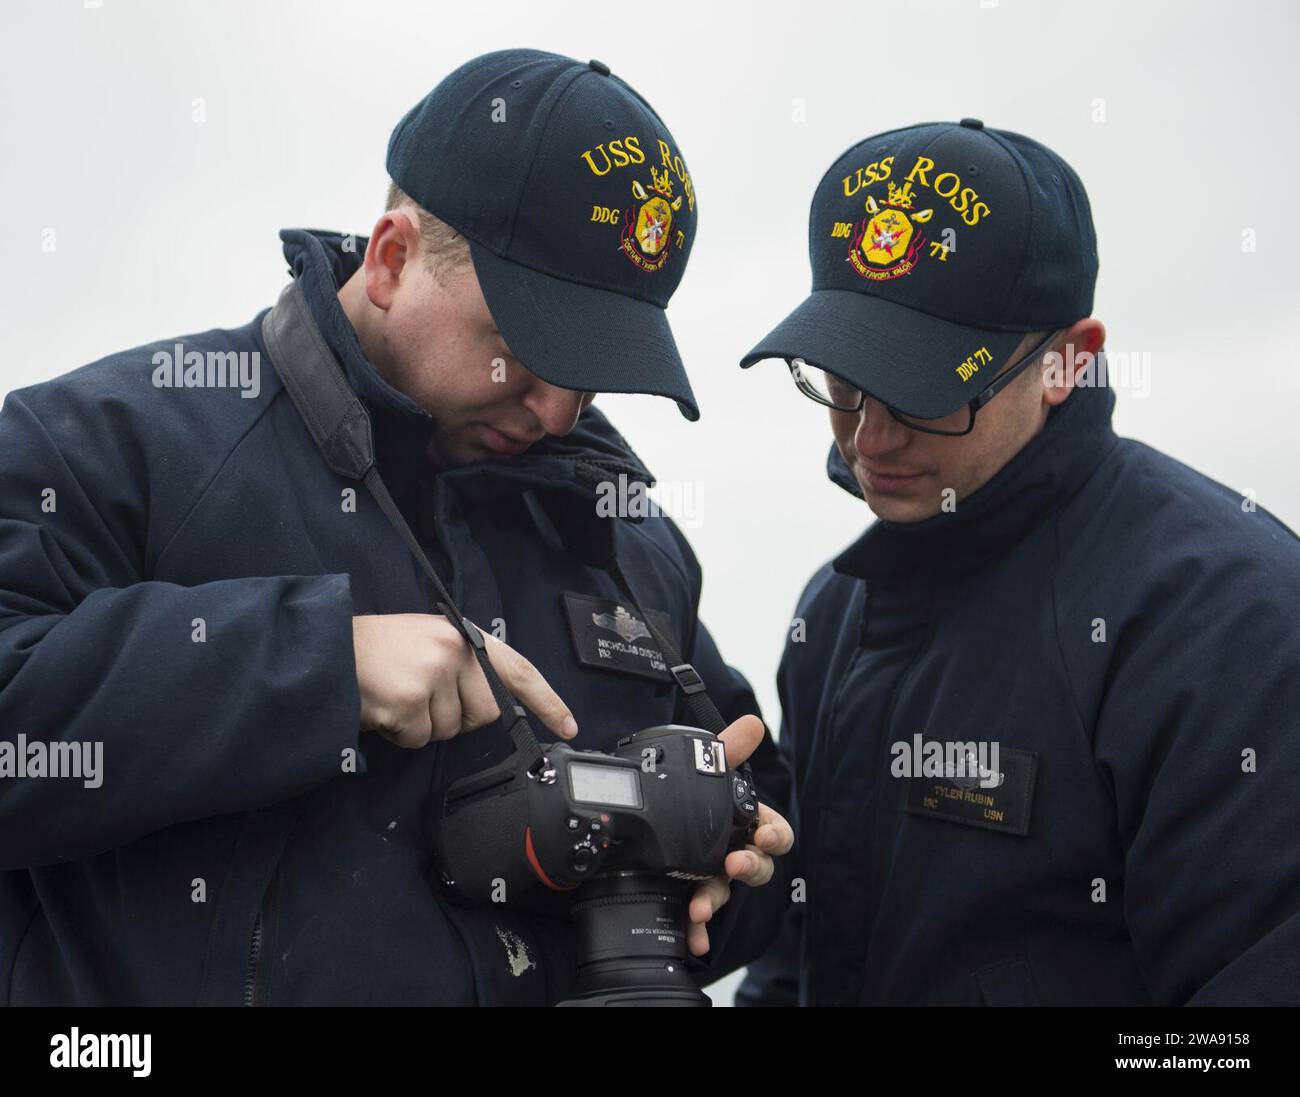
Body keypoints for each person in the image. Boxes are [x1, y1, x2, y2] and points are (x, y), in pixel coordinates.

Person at [0, 48, 792, 1006]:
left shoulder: (631, 545)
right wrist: (316, 662)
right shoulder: (115, 442)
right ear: (391, 259)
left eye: (596, 368)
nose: (556, 409)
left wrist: (727, 871)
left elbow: (772, 854)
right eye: (524, 354)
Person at [735, 119, 1300, 1006]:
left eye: (929, 395)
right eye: (843, 382)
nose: (869, 439)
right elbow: (798, 952)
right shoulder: (836, 613)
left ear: (1068, 361)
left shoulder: (1229, 620)